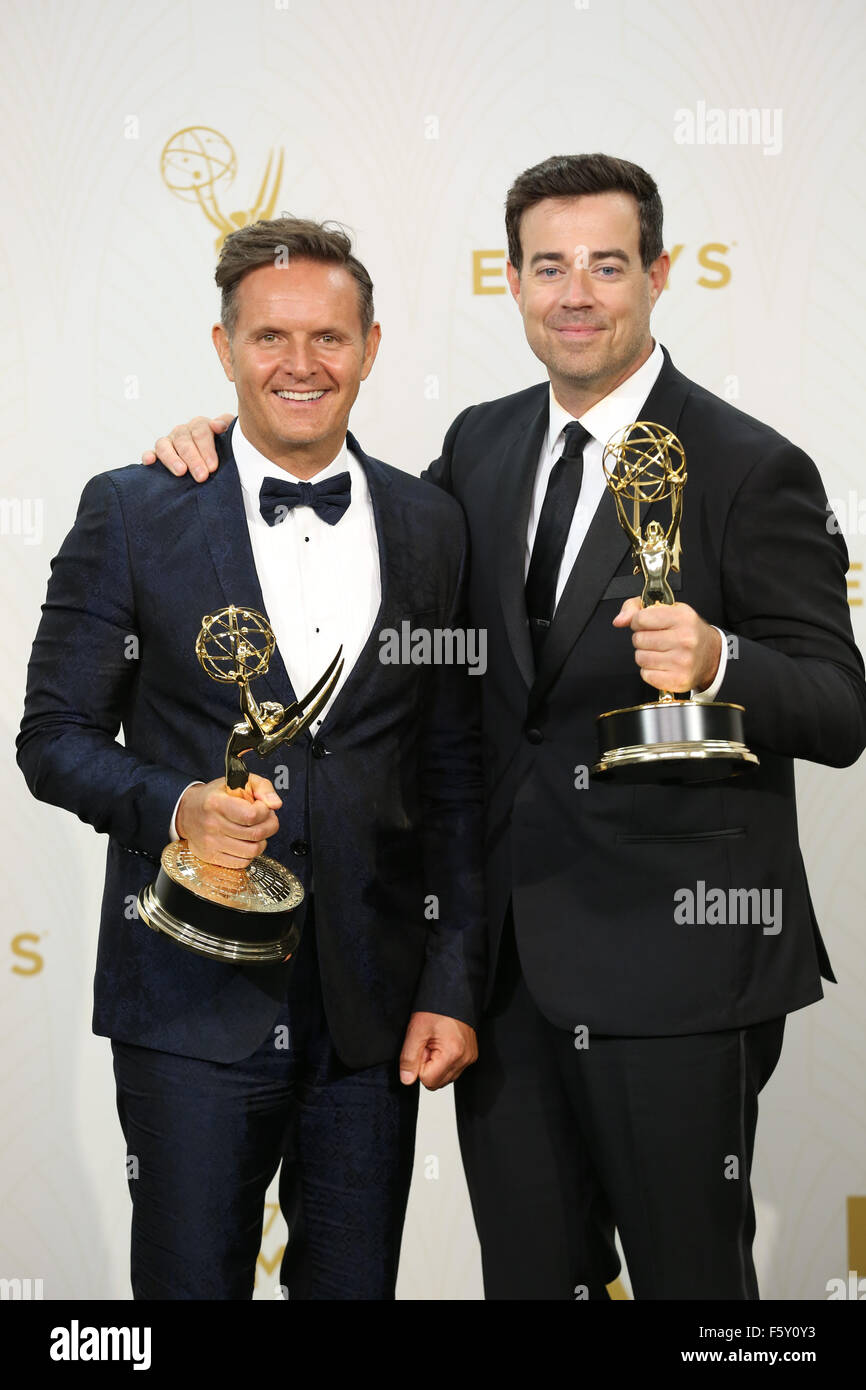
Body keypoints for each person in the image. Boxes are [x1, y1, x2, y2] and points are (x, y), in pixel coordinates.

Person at [142, 155, 866, 1301]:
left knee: (695, 1290)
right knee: (531, 1284)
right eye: (546, 266)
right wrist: (214, 455)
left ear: (658, 275)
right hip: (502, 982)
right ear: (515, 283)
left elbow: (838, 705)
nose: (574, 292)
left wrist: (722, 659)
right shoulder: (478, 449)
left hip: (674, 968)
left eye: (605, 264)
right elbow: (365, 553)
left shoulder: (747, 464)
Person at [18, 217, 485, 1301]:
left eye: (328, 336)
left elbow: (455, 775)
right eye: (269, 336)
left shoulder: (433, 524)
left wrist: (451, 980)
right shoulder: (135, 509)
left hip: (372, 1016)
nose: (300, 363)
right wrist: (176, 804)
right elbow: (52, 739)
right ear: (224, 348)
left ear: (371, 345)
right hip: (187, 999)